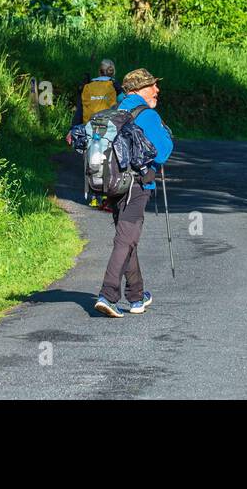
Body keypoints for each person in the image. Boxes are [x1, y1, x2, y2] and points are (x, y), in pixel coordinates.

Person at [95, 67, 173, 318]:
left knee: (127, 239)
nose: (157, 89)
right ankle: (108, 294)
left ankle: (137, 295)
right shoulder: (145, 114)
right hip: (137, 186)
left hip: (113, 185)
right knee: (125, 239)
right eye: (152, 85)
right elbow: (163, 150)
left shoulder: (115, 110)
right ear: (138, 89)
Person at [68, 60, 122, 209]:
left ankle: (93, 197)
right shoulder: (115, 86)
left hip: (89, 127)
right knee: (109, 160)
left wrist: (72, 129)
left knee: (90, 160)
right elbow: (123, 104)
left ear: (99, 71)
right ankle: (107, 195)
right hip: (110, 128)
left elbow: (80, 109)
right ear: (113, 72)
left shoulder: (87, 87)